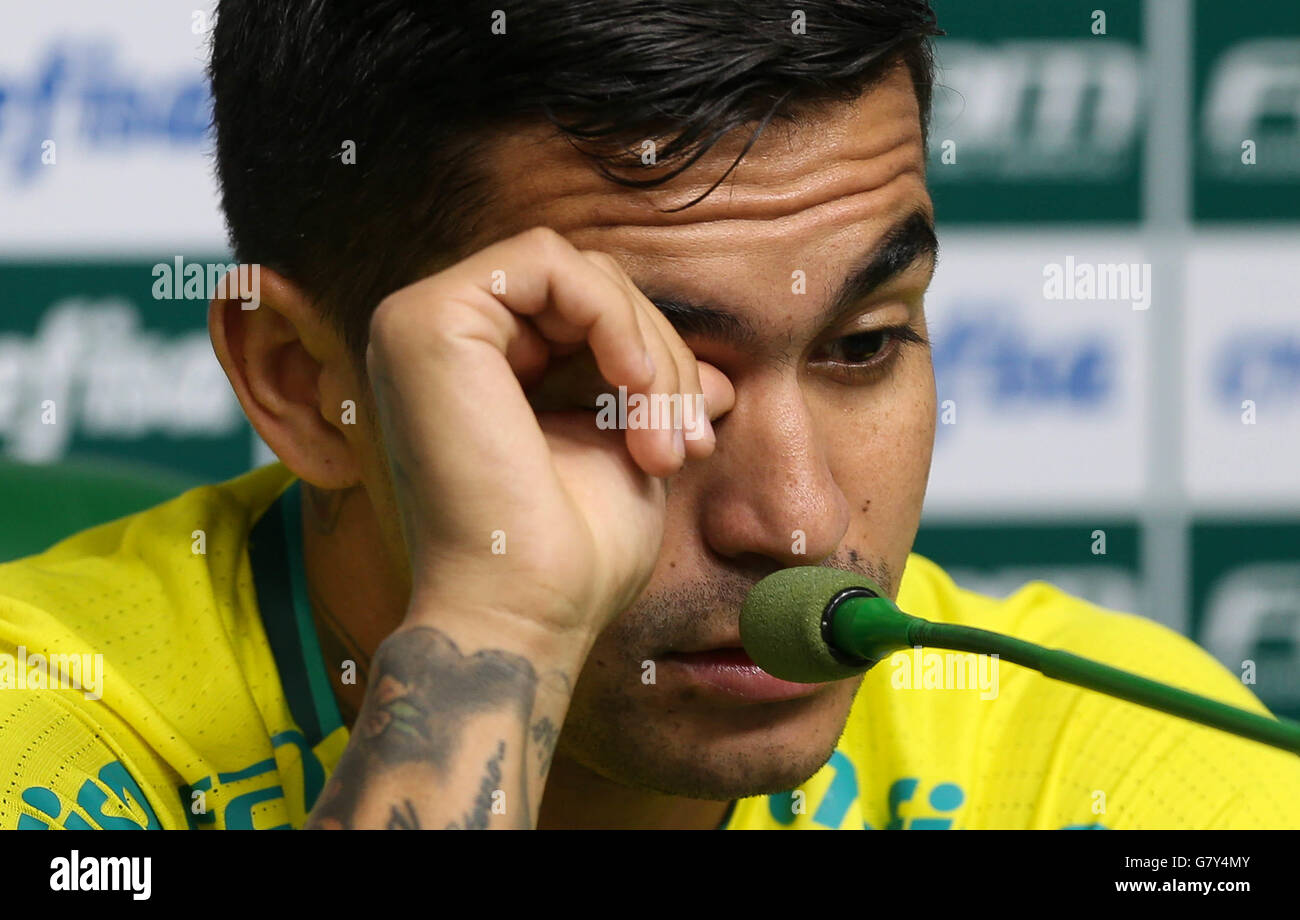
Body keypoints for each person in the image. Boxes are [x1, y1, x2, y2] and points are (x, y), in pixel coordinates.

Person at [2, 0, 1297, 831]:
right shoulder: (48, 726)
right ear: (301, 380)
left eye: (863, 344)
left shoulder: (1101, 755)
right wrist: (500, 625)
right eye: (625, 386)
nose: (794, 522)